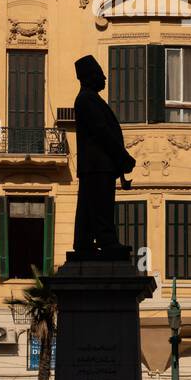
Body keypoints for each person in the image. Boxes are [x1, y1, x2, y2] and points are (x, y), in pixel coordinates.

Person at [72, 55, 135, 257]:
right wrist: (122, 156)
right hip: (98, 164)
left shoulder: (90, 99)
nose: (105, 77)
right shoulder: (87, 100)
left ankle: (83, 241)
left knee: (89, 205)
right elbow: (102, 132)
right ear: (89, 77)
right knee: (101, 206)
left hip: (96, 164)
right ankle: (107, 242)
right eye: (100, 73)